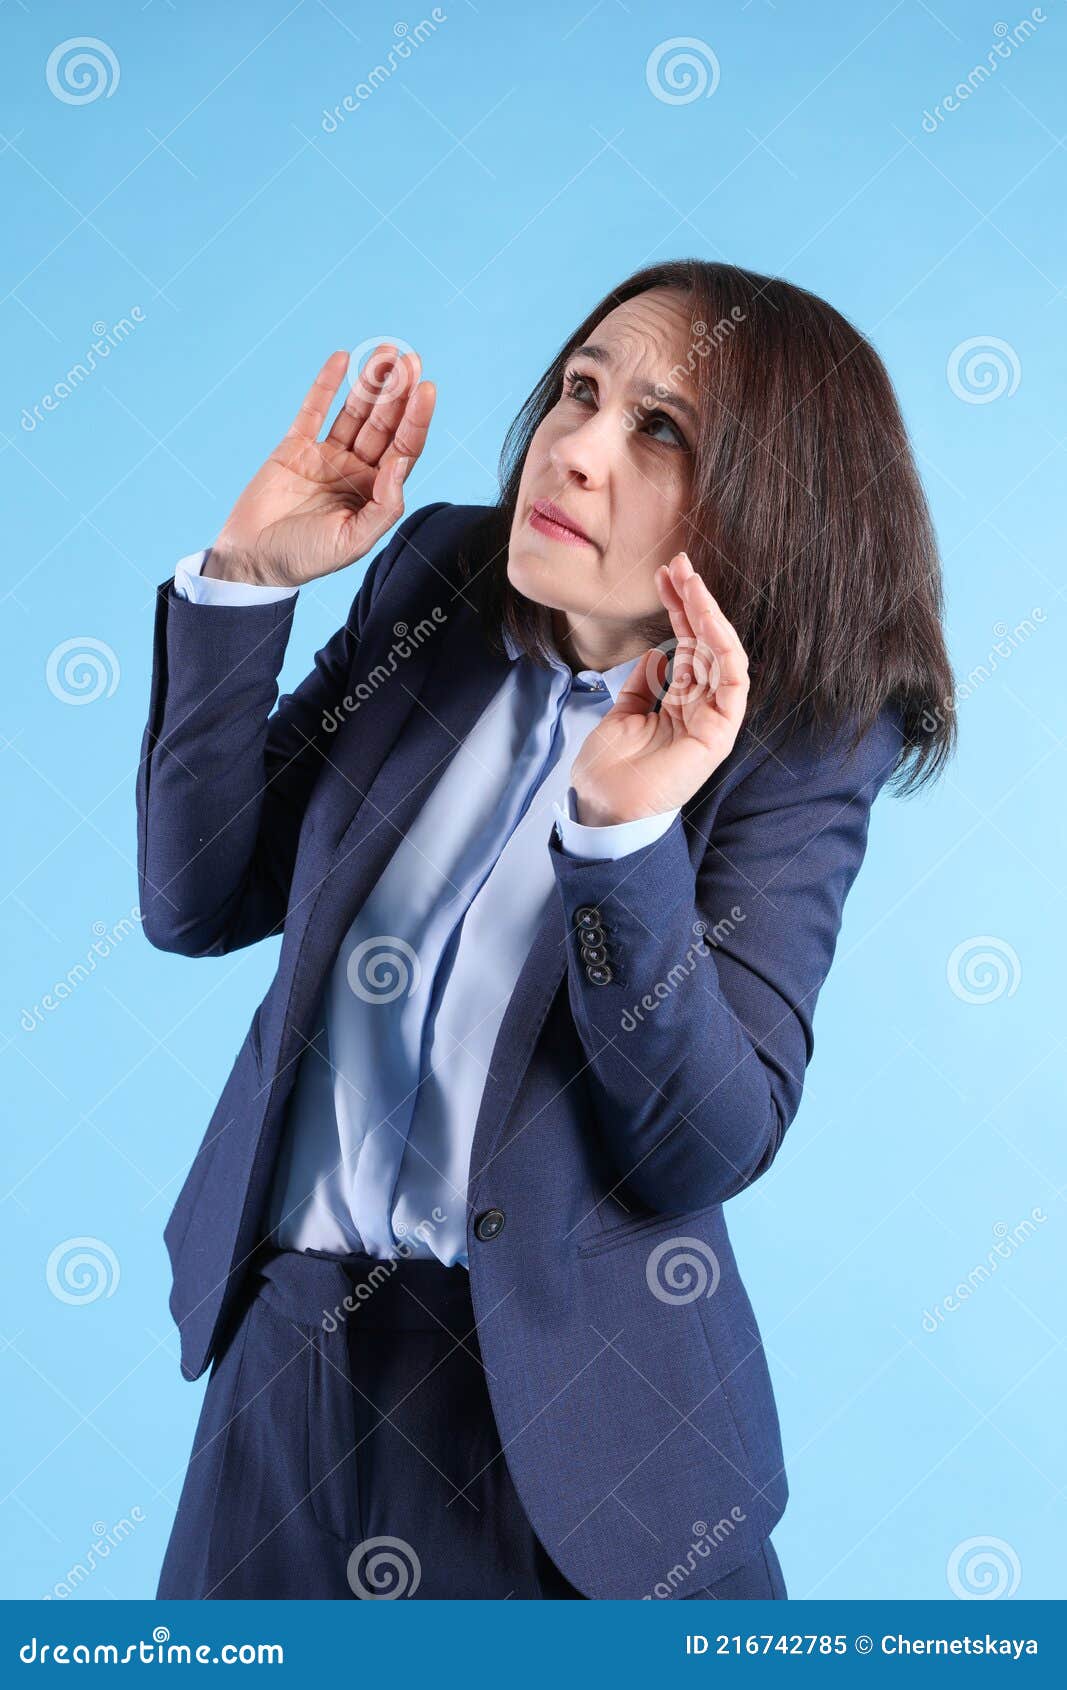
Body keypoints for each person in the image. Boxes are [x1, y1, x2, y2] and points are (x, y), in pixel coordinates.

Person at [138, 259, 955, 1600]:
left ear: (775, 511)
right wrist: (244, 584)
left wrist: (625, 839)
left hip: (574, 1441)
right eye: (581, 390)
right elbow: (198, 897)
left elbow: (703, 1139)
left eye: (661, 430)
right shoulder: (436, 584)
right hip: (288, 1373)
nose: (575, 450)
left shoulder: (806, 740)